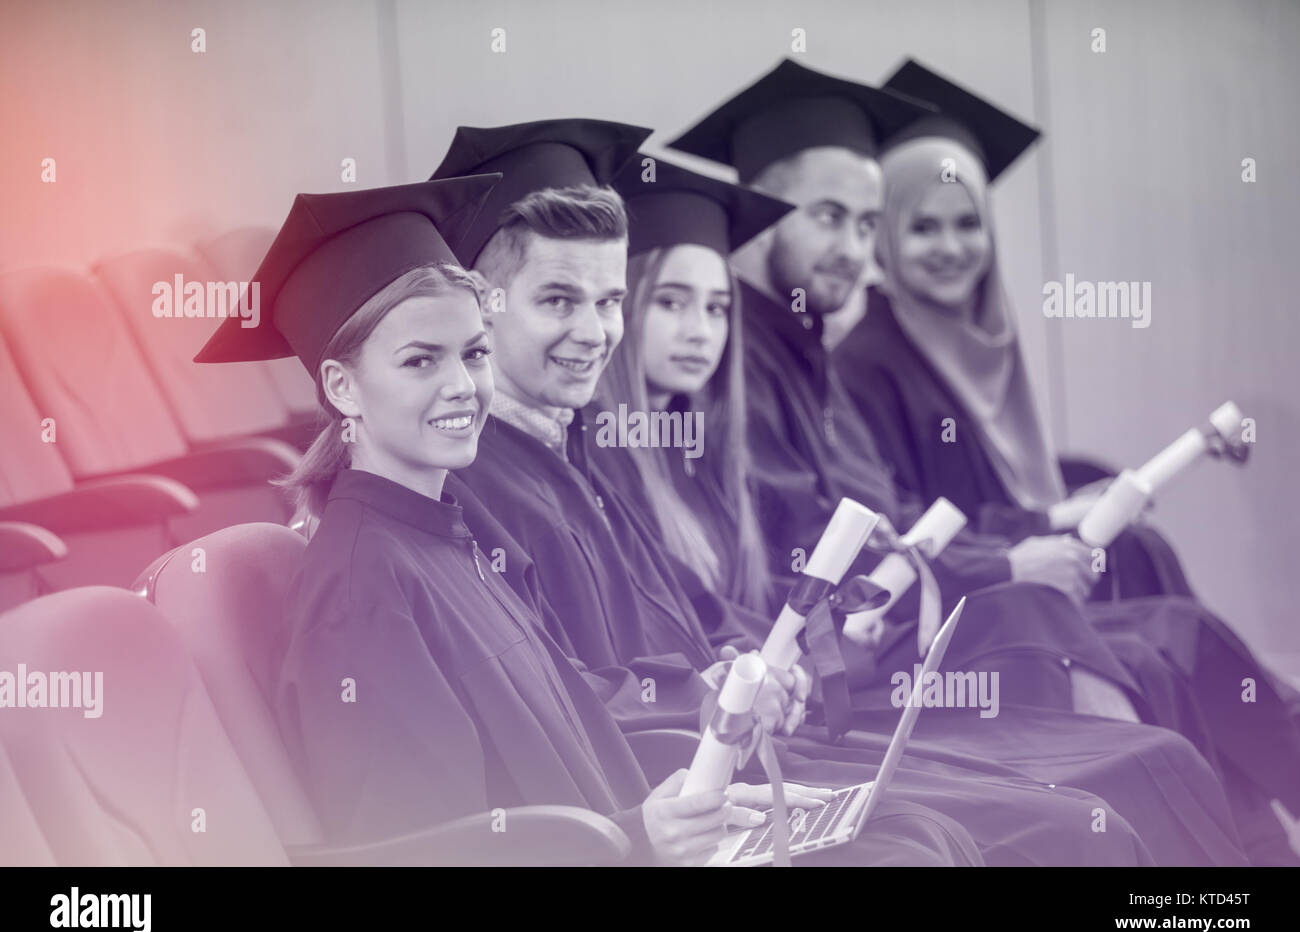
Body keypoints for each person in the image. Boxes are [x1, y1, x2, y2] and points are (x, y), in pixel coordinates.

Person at [433, 118, 1244, 865]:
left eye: (607, 301)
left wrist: (739, 664)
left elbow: (689, 619)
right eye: (558, 300)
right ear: (481, 302)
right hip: (682, 788)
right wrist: (722, 684)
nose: (596, 333)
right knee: (1056, 810)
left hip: (753, 734)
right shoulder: (477, 486)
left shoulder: (574, 456)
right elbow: (557, 701)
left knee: (1115, 766)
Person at [192, 176, 964, 867]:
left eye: (474, 352)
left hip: (644, 840)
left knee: (919, 831)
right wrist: (636, 840)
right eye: (421, 361)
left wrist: (671, 812)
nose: (463, 386)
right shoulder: (365, 587)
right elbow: (426, 848)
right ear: (342, 387)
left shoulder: (448, 537)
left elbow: (576, 745)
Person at [667, 58, 1295, 862]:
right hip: (842, 664)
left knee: (1147, 625)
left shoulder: (804, 348)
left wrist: (1022, 540)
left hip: (880, 626)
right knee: (1076, 624)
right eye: (829, 217)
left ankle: (1246, 862)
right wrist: (1002, 564)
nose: (855, 250)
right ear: (761, 216)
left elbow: (886, 516)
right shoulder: (744, 364)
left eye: (867, 224)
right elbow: (827, 548)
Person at [834, 58, 1192, 600]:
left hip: (1016, 555)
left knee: (1141, 547)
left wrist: (1065, 505)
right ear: (881, 236)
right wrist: (1049, 518)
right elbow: (905, 530)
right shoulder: (864, 363)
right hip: (963, 602)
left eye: (968, 223)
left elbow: (1003, 484)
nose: (951, 249)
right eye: (923, 227)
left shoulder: (981, 334)